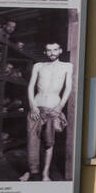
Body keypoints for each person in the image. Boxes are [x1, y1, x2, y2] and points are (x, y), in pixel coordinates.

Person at [19, 42, 71, 182]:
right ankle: (30, 171)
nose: (52, 53)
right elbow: (31, 86)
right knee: (32, 141)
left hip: (53, 108)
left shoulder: (67, 66)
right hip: (37, 106)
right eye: (49, 50)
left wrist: (60, 107)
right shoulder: (38, 66)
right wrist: (33, 106)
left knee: (49, 142)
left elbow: (68, 88)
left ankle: (45, 173)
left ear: (60, 51)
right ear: (45, 52)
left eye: (55, 50)